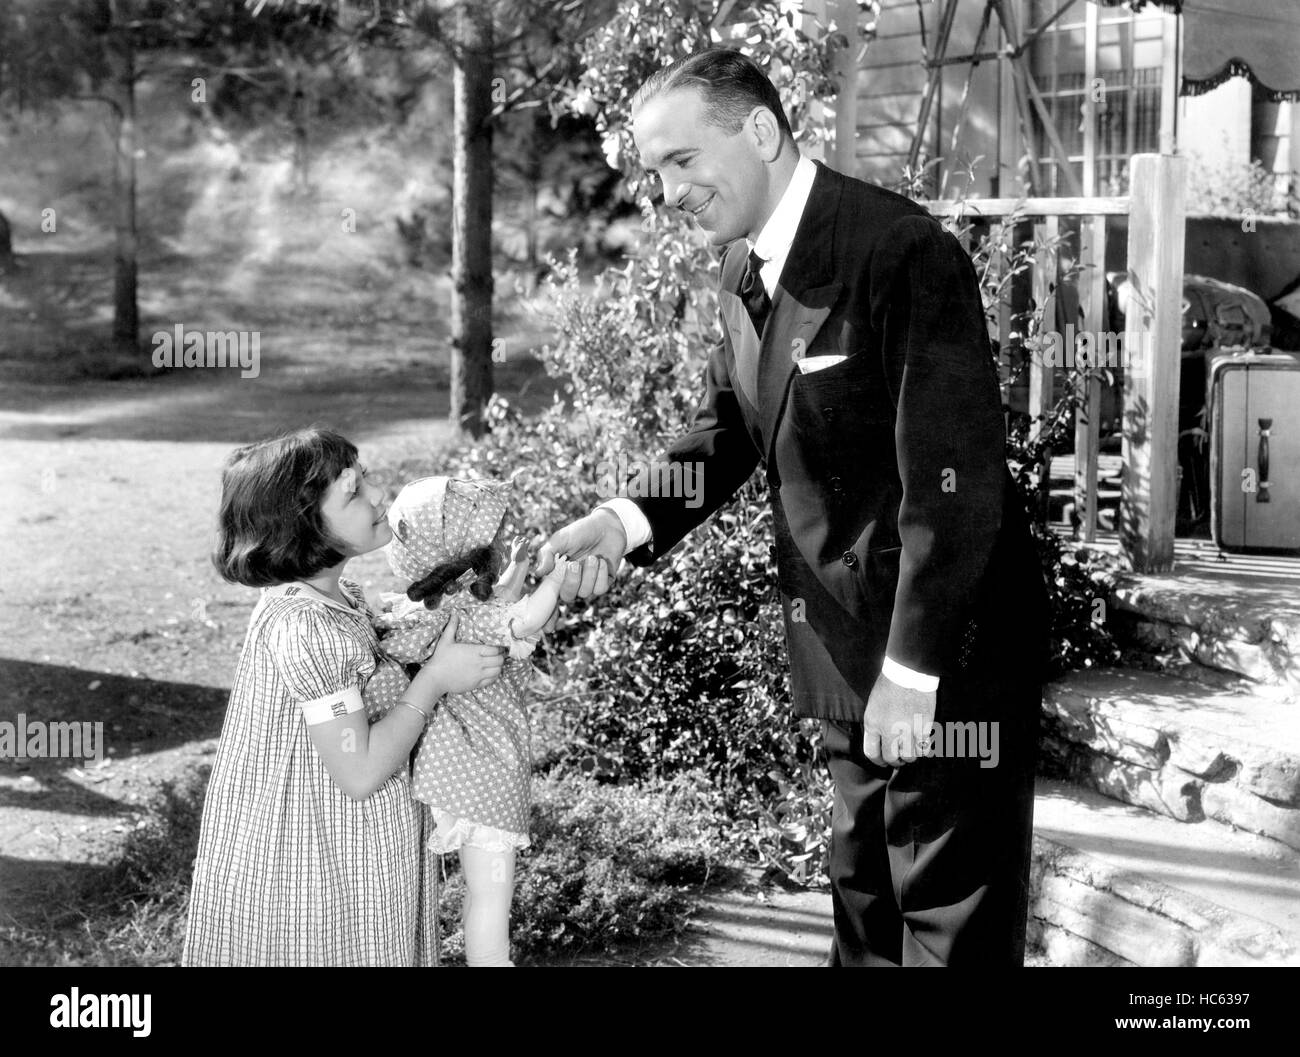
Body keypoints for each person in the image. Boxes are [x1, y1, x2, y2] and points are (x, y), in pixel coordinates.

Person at [538, 50, 1050, 966]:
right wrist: (619, 523)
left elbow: (955, 479)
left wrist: (914, 671)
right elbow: (727, 431)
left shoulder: (898, 251)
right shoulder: (745, 267)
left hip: (939, 662)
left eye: (683, 161)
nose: (668, 192)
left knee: (949, 931)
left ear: (763, 132)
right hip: (840, 654)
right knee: (865, 915)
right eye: (655, 172)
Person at [182, 429, 505, 966]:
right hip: (315, 864)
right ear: (302, 526)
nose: (380, 495)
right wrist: (435, 679)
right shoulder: (309, 630)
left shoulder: (332, 599)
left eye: (367, 479)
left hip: (346, 847)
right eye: (354, 492)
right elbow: (358, 774)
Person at [370, 475, 573, 967]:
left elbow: (497, 603)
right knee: (490, 895)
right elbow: (520, 619)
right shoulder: (472, 615)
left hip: (450, 768)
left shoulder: (437, 608)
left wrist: (521, 570)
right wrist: (554, 582)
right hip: (482, 772)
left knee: (478, 892)